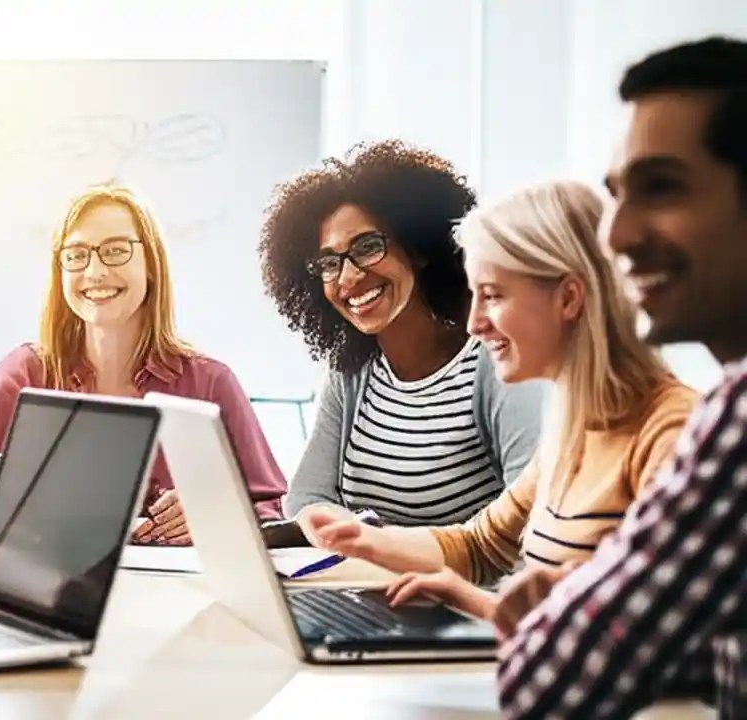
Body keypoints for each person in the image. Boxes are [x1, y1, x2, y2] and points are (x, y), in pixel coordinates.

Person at [296, 179, 697, 622]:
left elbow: (648, 623)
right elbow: (481, 546)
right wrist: (364, 539)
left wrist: (484, 607)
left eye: (492, 295)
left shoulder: (675, 435)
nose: (474, 324)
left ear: (568, 298)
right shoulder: (580, 426)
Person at [491, 37, 747, 718]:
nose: (617, 236)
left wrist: (580, 606)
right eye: (615, 196)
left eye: (662, 188)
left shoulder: (734, 417)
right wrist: (590, 593)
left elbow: (548, 686)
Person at [0, 184, 287, 544]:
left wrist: (213, 512)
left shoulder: (211, 382)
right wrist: (34, 498)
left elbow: (269, 511)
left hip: (176, 586)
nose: (95, 272)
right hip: (55, 579)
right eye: (76, 255)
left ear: (151, 263)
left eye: (116, 250)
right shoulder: (26, 372)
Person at [259, 140, 547, 525]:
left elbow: (528, 517)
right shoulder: (352, 371)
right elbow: (306, 498)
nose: (348, 277)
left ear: (419, 247)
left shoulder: (501, 362)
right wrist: (361, 539)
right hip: (365, 565)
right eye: (328, 263)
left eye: (368, 247)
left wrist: (385, 544)